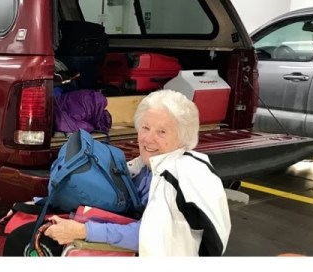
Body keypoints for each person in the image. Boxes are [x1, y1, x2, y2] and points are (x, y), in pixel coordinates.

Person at [42, 89, 231, 256]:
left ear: (183, 138)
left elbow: (149, 235)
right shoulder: (148, 166)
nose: (148, 139)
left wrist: (82, 230)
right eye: (145, 128)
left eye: (162, 132)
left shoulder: (179, 175)